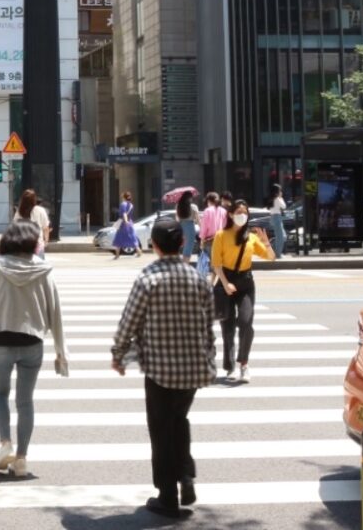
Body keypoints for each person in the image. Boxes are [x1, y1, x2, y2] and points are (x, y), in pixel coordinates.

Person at [111, 218, 216, 519]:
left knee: (160, 429)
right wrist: (209, 357)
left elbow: (129, 322)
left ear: (154, 245)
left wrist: (119, 354)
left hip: (159, 369)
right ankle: (185, 474)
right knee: (179, 419)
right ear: (182, 244)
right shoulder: (198, 278)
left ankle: (168, 495)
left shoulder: (148, 278)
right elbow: (209, 326)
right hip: (193, 368)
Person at [0, 220, 69, 478]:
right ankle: (21, 459)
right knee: (25, 401)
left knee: (0, 394)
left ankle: (5, 443)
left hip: (0, 340)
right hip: (32, 341)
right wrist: (60, 351)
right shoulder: (44, 270)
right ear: (33, 242)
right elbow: (55, 309)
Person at [211, 199, 276, 384]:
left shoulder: (251, 237)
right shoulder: (221, 235)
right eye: (239, 212)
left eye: (245, 212)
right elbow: (216, 264)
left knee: (246, 322)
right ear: (231, 214)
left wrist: (266, 243)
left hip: (246, 283)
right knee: (228, 327)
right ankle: (230, 366)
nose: (242, 215)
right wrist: (225, 284)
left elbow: (271, 258)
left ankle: (244, 363)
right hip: (226, 283)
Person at [195, 192, 227, 275]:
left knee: (211, 262)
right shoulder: (223, 211)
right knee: (217, 263)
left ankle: (213, 283)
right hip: (221, 239)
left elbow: (204, 227)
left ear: (209, 201)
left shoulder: (207, 211)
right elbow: (226, 226)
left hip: (209, 240)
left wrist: (202, 240)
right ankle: (214, 282)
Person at [16, 189, 50, 256]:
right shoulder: (40, 210)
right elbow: (45, 227)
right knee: (39, 265)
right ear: (34, 199)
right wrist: (46, 240)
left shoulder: (19, 212)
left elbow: (15, 228)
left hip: (23, 244)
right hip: (38, 244)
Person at [111, 191, 141, 258]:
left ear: (124, 197)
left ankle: (117, 255)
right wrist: (127, 221)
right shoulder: (131, 205)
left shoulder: (123, 204)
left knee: (119, 238)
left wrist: (126, 221)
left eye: (122, 196)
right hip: (130, 223)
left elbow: (124, 213)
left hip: (123, 224)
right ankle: (139, 251)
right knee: (132, 237)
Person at [176, 191, 198, 260]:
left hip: (180, 226)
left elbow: (177, 219)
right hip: (190, 226)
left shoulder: (178, 206)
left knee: (181, 245)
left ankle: (181, 262)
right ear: (189, 198)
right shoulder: (193, 206)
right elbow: (197, 219)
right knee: (189, 246)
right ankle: (186, 263)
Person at [267, 184, 288, 258]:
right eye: (280, 190)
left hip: (274, 217)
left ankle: (273, 249)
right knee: (281, 237)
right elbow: (284, 206)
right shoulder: (277, 199)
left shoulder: (272, 199)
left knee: (283, 236)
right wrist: (281, 197)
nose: (281, 192)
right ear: (277, 191)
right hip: (277, 217)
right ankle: (278, 254)